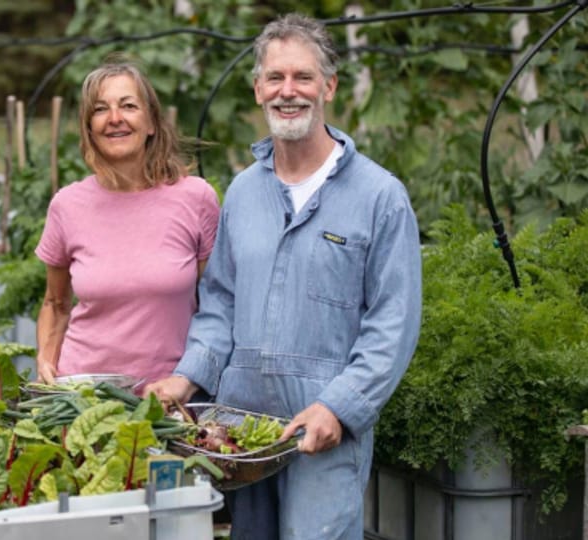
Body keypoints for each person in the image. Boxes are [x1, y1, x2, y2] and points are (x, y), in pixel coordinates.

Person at [145, 14, 422, 540]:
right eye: (275, 78)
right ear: (257, 89)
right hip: (242, 425)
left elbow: (393, 324)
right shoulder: (245, 193)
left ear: (329, 87)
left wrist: (341, 407)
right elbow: (220, 303)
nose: (287, 92)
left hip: (321, 421)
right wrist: (187, 376)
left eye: (303, 77)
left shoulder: (379, 197)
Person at [34, 59, 220, 389]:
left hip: (167, 396)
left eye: (129, 106)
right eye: (101, 109)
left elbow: (217, 302)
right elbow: (56, 303)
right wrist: (46, 360)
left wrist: (191, 377)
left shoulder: (196, 198)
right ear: (89, 126)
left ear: (151, 122)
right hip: (83, 395)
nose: (115, 119)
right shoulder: (67, 205)